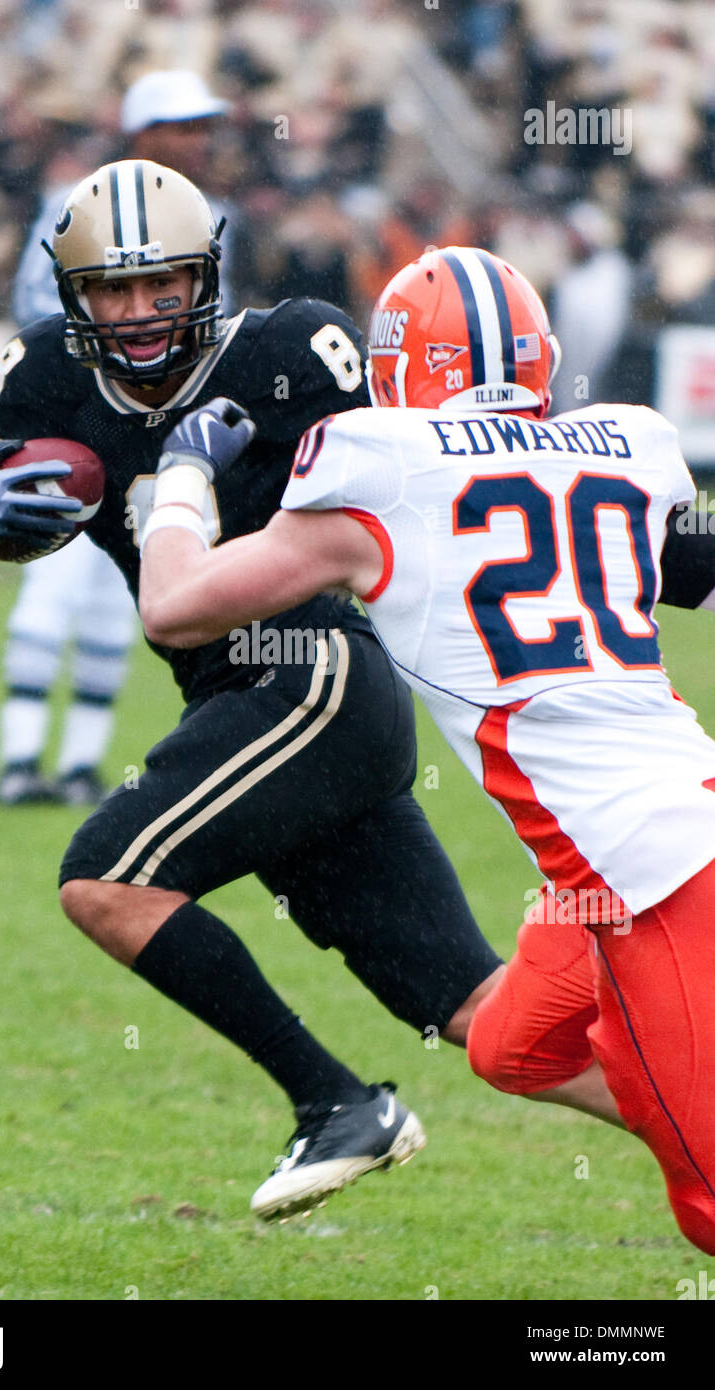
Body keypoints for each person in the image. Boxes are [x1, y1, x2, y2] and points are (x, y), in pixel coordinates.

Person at [0, 161, 530, 1223]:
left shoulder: (293, 354)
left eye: (164, 285)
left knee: (103, 877)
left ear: (208, 277)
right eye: (112, 289)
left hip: (313, 675)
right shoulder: (43, 385)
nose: (141, 313)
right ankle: (683, 1103)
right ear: (70, 294)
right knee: (487, 1017)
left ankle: (334, 1101)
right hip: (248, 715)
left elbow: (441, 472)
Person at [134, 245, 715, 1255]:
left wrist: (181, 472)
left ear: (399, 364)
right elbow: (682, 566)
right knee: (509, 1042)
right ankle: (669, 1065)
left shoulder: (383, 472)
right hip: (629, 854)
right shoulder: (623, 445)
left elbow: (172, 606)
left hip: (646, 874)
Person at [0, 70, 232, 806]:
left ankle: (78, 765)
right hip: (84, 417)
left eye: (201, 125)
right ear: (140, 133)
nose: (195, 139)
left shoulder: (212, 212)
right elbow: (40, 307)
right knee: (54, 574)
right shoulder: (77, 207)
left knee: (125, 590)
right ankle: (19, 756)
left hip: (166, 425)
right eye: (179, 125)